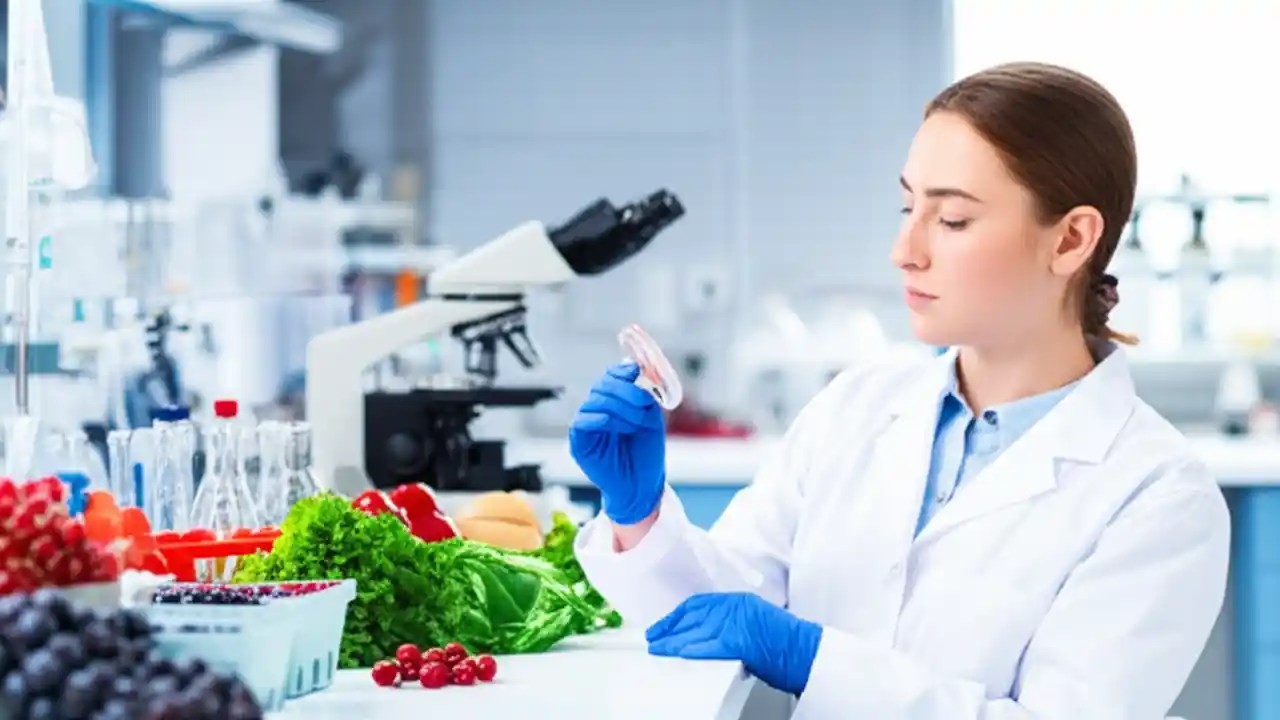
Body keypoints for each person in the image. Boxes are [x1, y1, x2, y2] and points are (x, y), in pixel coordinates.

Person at [568, 61, 1230, 719]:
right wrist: (640, 515)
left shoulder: (1160, 495)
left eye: (952, 221)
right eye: (908, 206)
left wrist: (811, 657)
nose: (904, 250)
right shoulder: (857, 406)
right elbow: (708, 619)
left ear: (1071, 239)